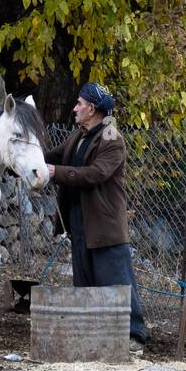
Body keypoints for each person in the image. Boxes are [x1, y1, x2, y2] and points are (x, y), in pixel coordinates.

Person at [44, 82, 147, 349]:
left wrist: (56, 172)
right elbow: (52, 156)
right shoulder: (78, 136)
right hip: (79, 219)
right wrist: (25, 160)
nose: (75, 108)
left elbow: (97, 173)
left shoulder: (111, 137)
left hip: (105, 223)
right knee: (85, 278)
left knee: (115, 279)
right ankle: (94, 335)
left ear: (92, 108)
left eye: (79, 104)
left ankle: (133, 336)